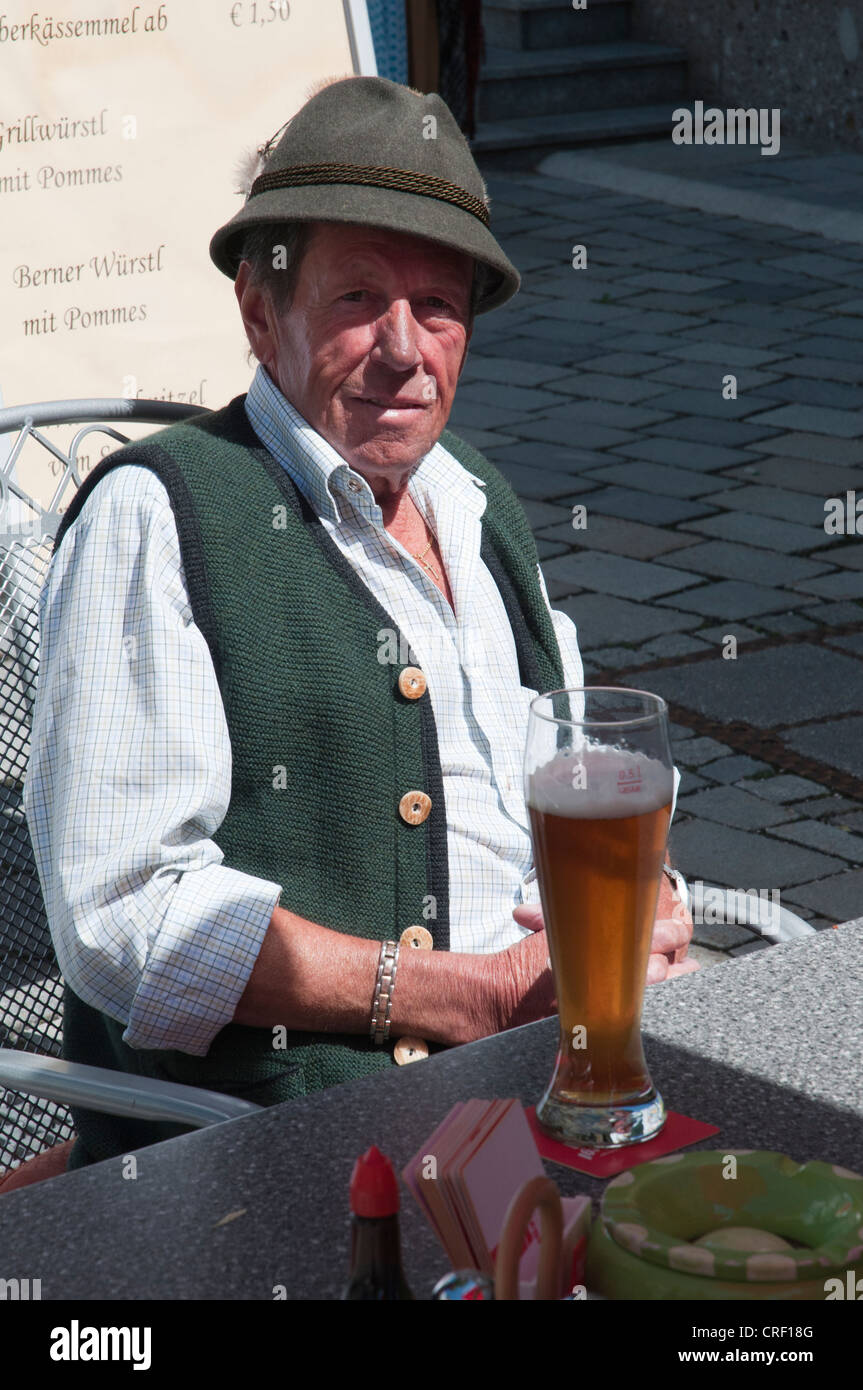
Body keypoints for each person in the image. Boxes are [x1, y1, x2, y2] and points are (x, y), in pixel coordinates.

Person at [23, 76, 696, 1170]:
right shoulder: (158, 518)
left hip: (562, 1069)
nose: (404, 348)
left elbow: (569, 763)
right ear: (259, 310)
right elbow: (125, 918)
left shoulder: (472, 499)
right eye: (355, 300)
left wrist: (644, 909)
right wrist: (460, 995)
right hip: (302, 1138)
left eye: (438, 306)